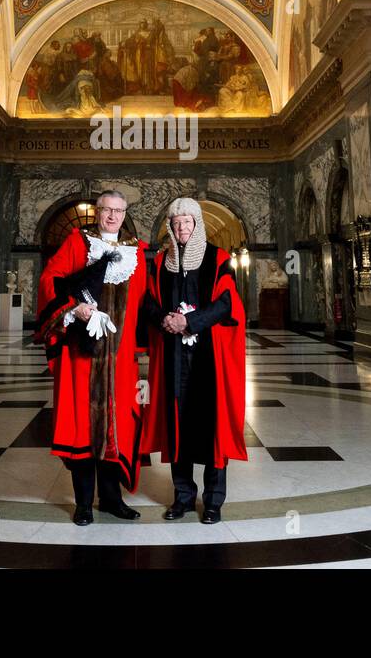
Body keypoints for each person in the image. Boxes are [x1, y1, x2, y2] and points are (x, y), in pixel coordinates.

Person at [35, 190, 149, 525]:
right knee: (83, 430)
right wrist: (76, 308)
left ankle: (112, 500)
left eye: (118, 210)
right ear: (97, 212)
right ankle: (84, 504)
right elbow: (49, 281)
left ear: (124, 213)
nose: (112, 216)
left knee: (116, 429)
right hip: (82, 357)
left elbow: (147, 302)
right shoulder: (77, 243)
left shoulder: (137, 251)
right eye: (106, 210)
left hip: (121, 359)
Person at [141, 198, 247, 523]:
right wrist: (166, 320)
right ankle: (183, 498)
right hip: (174, 357)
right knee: (178, 427)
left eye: (187, 222)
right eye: (176, 223)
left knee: (211, 427)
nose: (182, 228)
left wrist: (190, 322)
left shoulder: (218, 260)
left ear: (197, 224)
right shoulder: (161, 263)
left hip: (209, 357)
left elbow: (227, 304)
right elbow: (148, 303)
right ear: (170, 228)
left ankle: (213, 501)